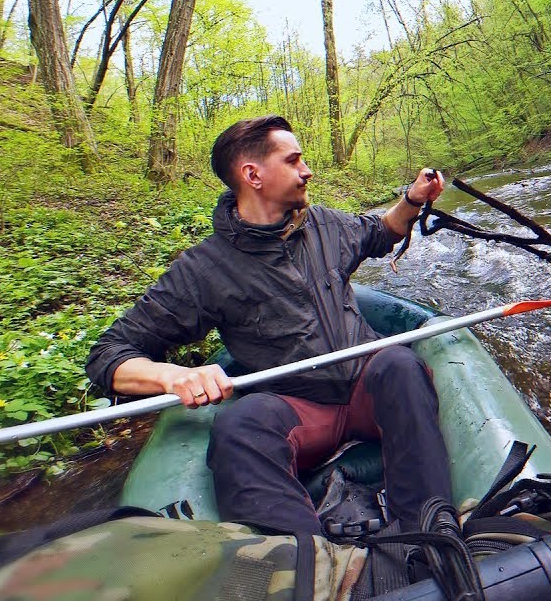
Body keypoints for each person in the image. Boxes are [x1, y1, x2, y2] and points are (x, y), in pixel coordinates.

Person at [85, 115, 450, 536]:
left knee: (400, 365)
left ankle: (430, 537)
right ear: (252, 174)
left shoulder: (325, 226)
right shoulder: (203, 270)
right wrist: (173, 376)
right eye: (294, 160)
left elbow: (379, 232)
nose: (306, 170)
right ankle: (307, 565)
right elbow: (108, 355)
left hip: (367, 386)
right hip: (297, 407)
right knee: (239, 424)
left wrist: (412, 198)